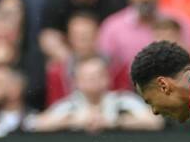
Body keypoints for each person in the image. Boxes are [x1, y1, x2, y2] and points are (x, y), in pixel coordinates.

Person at [33, 56, 162, 133]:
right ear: (76, 81)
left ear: (107, 78)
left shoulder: (123, 102)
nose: (93, 80)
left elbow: (156, 122)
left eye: (97, 75)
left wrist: (115, 122)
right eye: (87, 77)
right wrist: (72, 122)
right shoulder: (69, 106)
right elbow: (36, 124)